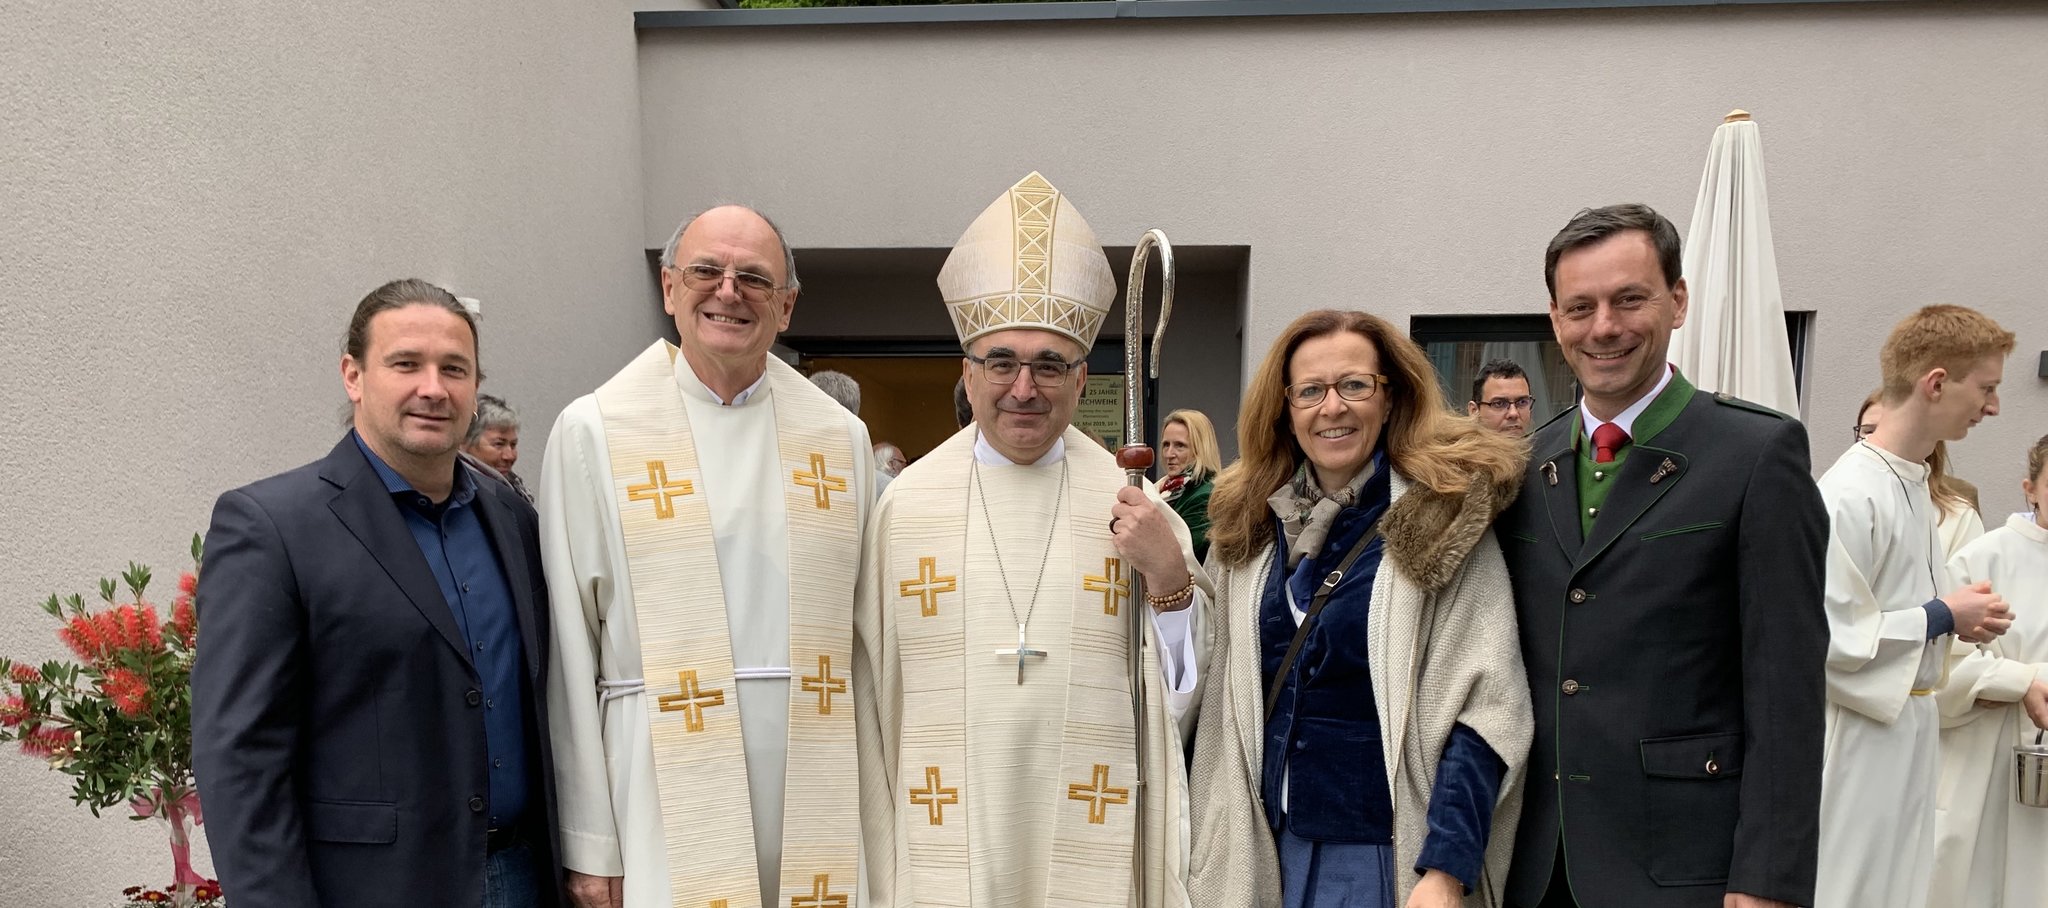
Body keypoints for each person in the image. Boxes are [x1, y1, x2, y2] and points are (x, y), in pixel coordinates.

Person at [855, 172, 1210, 907]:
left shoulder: (1135, 505)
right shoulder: (905, 507)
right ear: (968, 372)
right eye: (1003, 362)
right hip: (945, 830)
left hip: (1092, 828)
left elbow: (1188, 699)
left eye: (1050, 364)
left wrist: (1171, 581)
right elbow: (870, 698)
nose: (1025, 387)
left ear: (1081, 381)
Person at [541, 206, 876, 908]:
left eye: (754, 278)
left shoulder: (839, 438)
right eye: (706, 271)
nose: (729, 291)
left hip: (812, 778)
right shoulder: (594, 431)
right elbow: (570, 650)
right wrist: (590, 841)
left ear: (785, 306)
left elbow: (866, 637)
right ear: (669, 289)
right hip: (657, 783)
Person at [1496, 204, 1830, 908]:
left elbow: (1786, 691)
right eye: (1580, 307)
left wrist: (1768, 879)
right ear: (1554, 319)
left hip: (1686, 869)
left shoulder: (1757, 453)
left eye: (1629, 299)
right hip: (1534, 862)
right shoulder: (1522, 463)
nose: (1604, 327)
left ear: (1677, 301)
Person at [191, 279, 562, 908]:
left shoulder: (511, 515)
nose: (433, 388)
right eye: (405, 364)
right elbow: (240, 758)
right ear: (353, 375)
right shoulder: (272, 526)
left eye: (454, 369)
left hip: (525, 876)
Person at [1187, 309, 1532, 908]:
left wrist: (1446, 868)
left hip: (1381, 856)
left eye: (1354, 385)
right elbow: (1212, 690)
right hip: (1261, 848)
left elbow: (1487, 710)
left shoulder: (1441, 520)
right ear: (1285, 410)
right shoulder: (1247, 532)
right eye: (1311, 391)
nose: (1333, 407)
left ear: (1390, 397)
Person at [1815, 304, 2015, 908]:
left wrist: (1960, 619)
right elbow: (1829, 636)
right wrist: (1941, 617)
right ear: (1935, 383)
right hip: (1859, 738)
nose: (1993, 407)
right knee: (1850, 889)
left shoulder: (1912, 482)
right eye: (1986, 388)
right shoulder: (1851, 492)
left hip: (1909, 726)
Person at [1930, 434, 2048, 908]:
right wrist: (2021, 681)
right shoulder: (1984, 558)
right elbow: (1935, 664)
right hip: (1986, 761)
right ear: (2030, 488)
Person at [1857, 389, 1985, 558]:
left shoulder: (1960, 518)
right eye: (1868, 431)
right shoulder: (1841, 496)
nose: (1875, 440)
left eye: (1890, 430)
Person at [1159, 408, 1221, 563]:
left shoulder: (1205, 495)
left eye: (1180, 445)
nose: (1169, 454)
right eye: (1166, 445)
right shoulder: (1166, 488)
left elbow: (1183, 555)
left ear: (1200, 449)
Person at [466, 393, 535, 503]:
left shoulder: (514, 488)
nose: (510, 456)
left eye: (513, 445)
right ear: (465, 442)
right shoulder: (461, 495)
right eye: (498, 444)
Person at [1467, 359, 1535, 438]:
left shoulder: (1545, 448)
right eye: (1499, 404)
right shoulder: (1458, 450)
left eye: (1522, 402)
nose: (1513, 413)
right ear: (1474, 411)